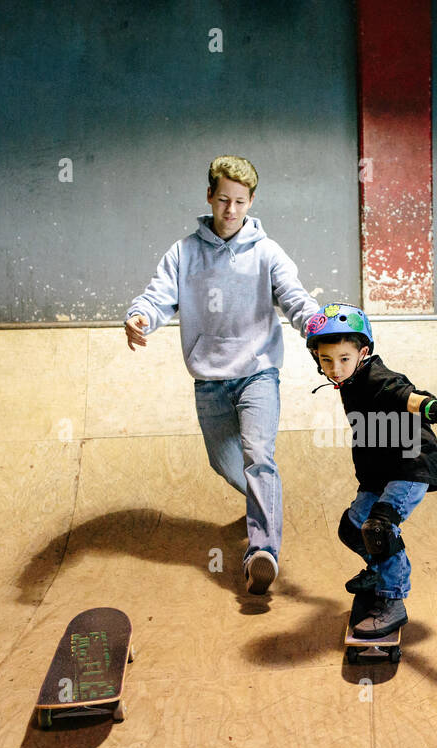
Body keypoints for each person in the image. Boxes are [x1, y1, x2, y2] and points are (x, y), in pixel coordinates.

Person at [124, 155, 319, 594]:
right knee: (225, 463)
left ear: (251, 202)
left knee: (258, 456)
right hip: (209, 378)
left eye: (240, 201)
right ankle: (264, 501)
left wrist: (317, 326)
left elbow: (294, 297)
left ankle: (262, 552)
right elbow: (157, 296)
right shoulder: (184, 253)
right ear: (210, 196)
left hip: (257, 372)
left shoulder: (267, 252)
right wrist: (140, 317)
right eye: (224, 199)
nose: (231, 210)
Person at [305, 303, 437, 637]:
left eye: (344, 359)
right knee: (352, 528)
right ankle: (378, 570)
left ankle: (393, 599)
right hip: (379, 468)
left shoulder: (378, 378)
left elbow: (409, 398)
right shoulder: (350, 380)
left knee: (379, 529)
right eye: (326, 360)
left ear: (363, 353)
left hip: (409, 464)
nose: (335, 369)